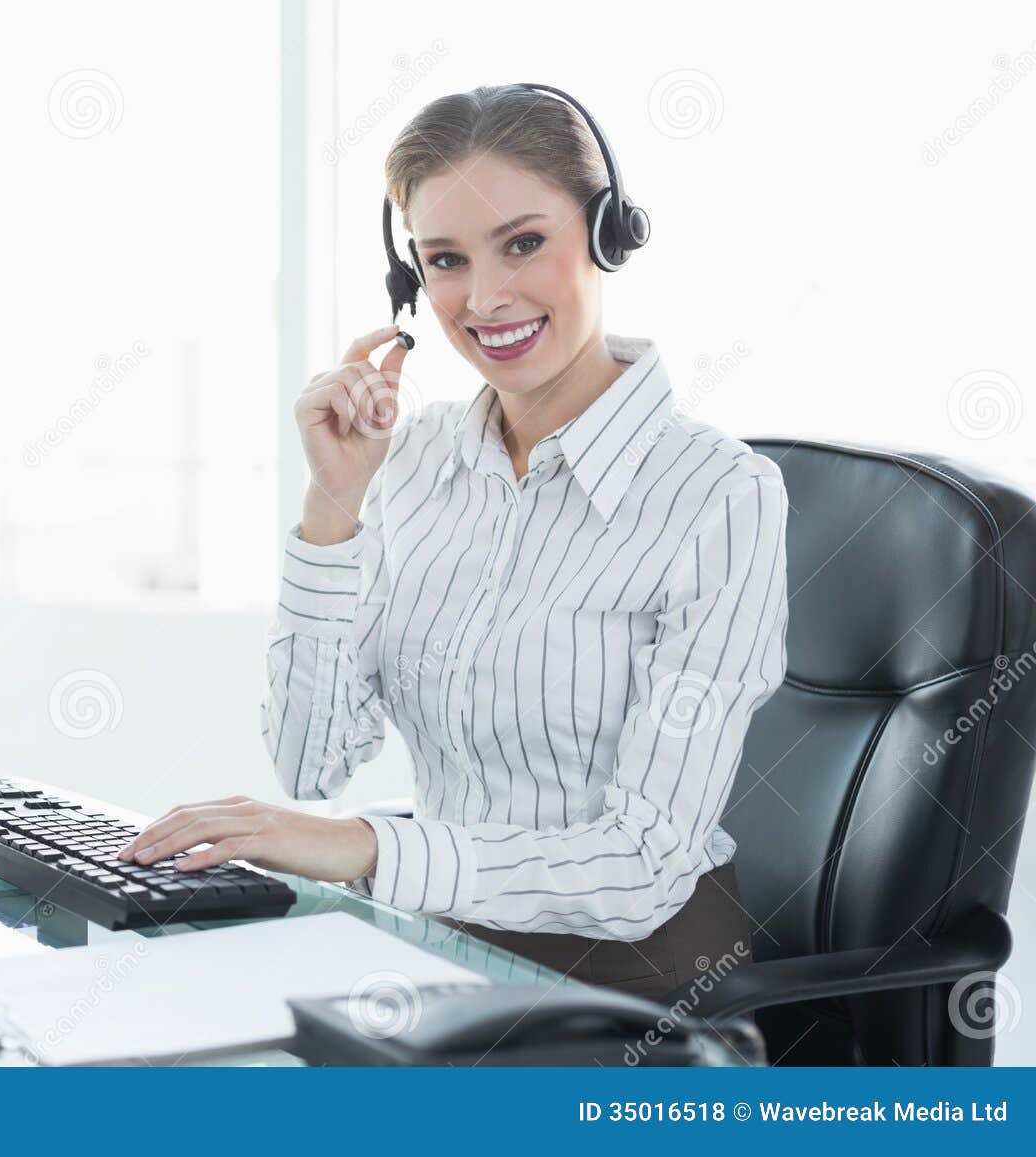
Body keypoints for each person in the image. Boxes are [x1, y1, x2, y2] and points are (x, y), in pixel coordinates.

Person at [119, 85, 789, 998]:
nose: (484, 297)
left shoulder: (719, 496)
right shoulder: (417, 459)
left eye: (523, 243)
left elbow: (642, 864)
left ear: (606, 234)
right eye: (444, 260)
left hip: (629, 984)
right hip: (435, 944)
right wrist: (334, 503)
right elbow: (312, 762)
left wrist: (362, 848)